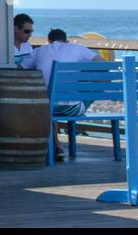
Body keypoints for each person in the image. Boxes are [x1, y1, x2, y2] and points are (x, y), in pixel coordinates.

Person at [21, 28, 100, 160]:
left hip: (46, 108)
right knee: (96, 87)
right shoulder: (78, 48)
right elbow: (102, 63)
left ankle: (57, 147)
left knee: (50, 103)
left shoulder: (39, 51)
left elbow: (21, 68)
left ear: (49, 41)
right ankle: (58, 146)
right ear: (66, 41)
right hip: (73, 109)